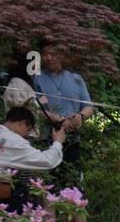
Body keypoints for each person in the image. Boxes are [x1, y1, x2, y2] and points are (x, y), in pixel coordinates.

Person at [32, 46, 94, 184]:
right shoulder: (37, 78)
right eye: (45, 54)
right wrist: (60, 120)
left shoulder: (76, 78)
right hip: (47, 139)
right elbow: (34, 108)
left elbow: (89, 106)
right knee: (47, 184)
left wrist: (80, 116)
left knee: (72, 183)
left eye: (53, 53)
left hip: (72, 140)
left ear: (63, 55)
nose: (48, 58)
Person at [0, 106, 66, 214]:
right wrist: (58, 142)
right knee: (34, 209)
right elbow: (47, 161)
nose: (26, 135)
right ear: (23, 123)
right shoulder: (14, 141)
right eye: (28, 131)